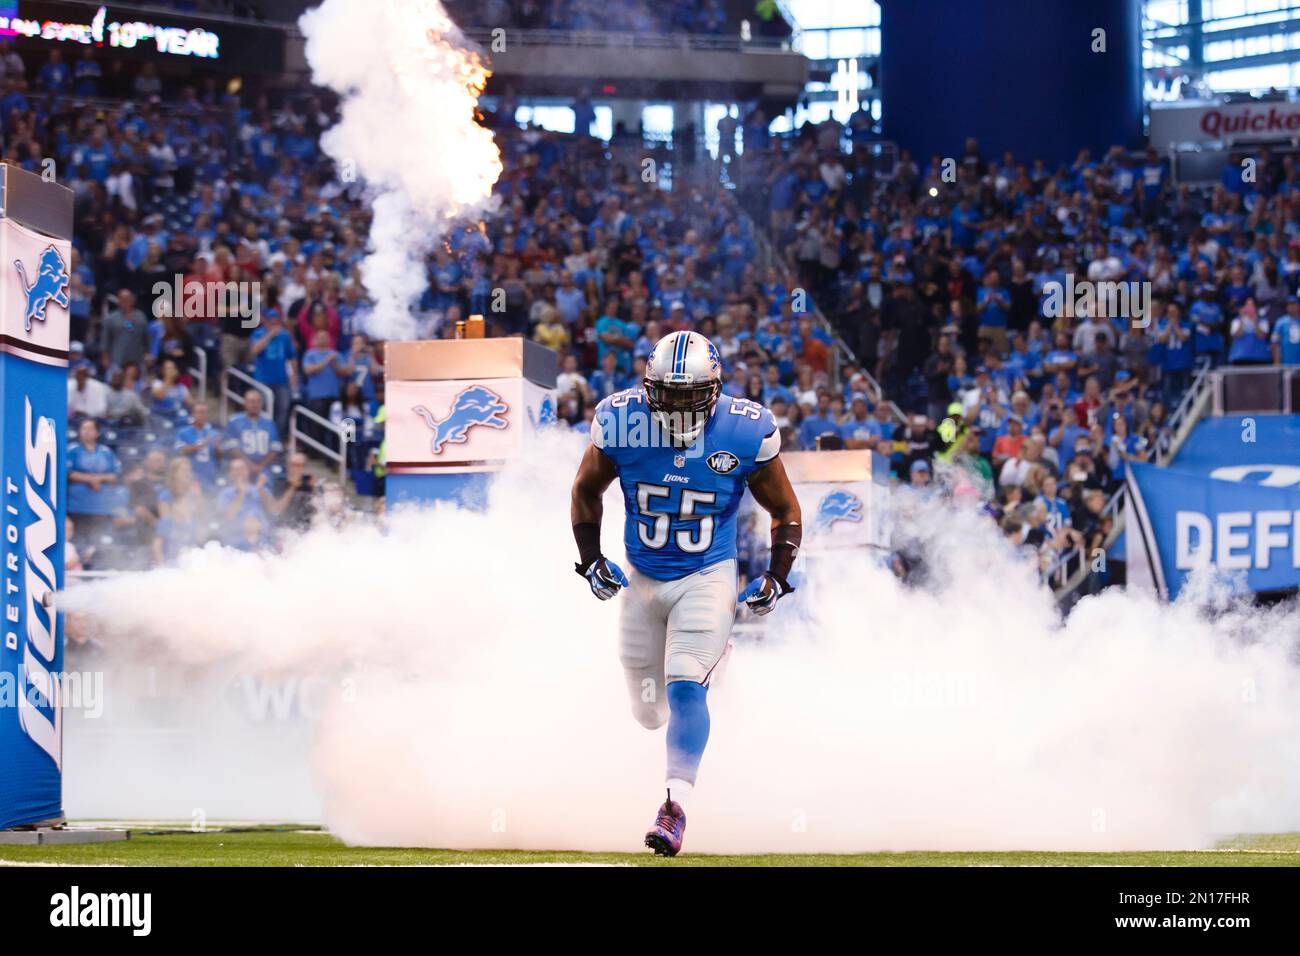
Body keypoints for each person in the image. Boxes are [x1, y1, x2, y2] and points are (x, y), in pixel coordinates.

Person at [569, 331, 801, 857]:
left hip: (706, 575)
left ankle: (674, 809)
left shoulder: (745, 430)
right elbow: (586, 489)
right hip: (643, 578)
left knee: (683, 687)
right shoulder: (621, 420)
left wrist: (778, 574)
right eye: (667, 395)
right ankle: (711, 666)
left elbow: (785, 511)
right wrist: (589, 559)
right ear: (648, 388)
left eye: (688, 395)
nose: (676, 407)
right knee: (647, 712)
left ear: (715, 390)